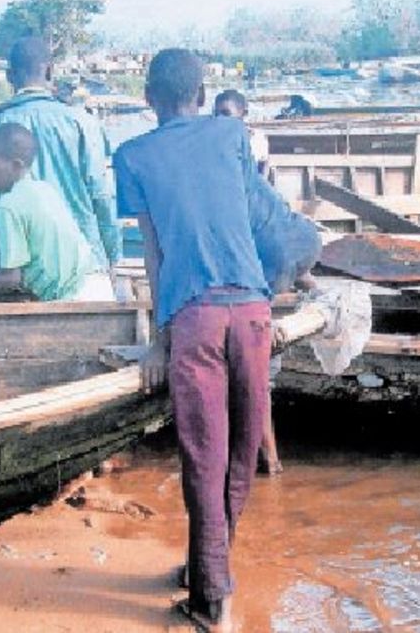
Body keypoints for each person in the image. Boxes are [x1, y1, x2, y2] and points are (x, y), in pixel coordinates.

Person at [113, 49, 272, 631]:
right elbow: (258, 218)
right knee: (238, 453)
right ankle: (209, 568)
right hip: (254, 312)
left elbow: (153, 255)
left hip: (195, 317)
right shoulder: (234, 134)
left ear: (149, 97)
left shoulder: (131, 155)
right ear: (202, 95)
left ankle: (211, 598)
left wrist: (159, 340)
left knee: (203, 458)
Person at [215, 87, 323, 475]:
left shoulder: (228, 175)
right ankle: (319, 292)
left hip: (278, 257)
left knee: (255, 371)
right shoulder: (248, 165)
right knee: (258, 366)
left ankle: (270, 459)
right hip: (306, 241)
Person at [0, 37, 121, 286]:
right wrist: (110, 257)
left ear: (9, 77)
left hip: (19, 281)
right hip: (86, 271)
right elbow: (102, 198)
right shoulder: (84, 124)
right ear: (50, 71)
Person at [0, 123, 115, 303]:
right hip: (99, 285)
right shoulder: (45, 189)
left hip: (74, 298)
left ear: (16, 165)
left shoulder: (8, 205)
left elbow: (11, 278)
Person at [213, 88, 270, 168]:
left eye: (226, 114)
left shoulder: (256, 139)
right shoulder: (211, 140)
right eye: (216, 114)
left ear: (244, 113)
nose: (219, 119)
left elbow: (262, 171)